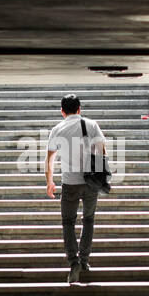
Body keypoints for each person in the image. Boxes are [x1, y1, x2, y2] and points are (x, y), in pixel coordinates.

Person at [45, 93, 106, 284]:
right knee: (88, 220)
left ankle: (74, 263)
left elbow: (50, 159)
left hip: (69, 182)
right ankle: (85, 260)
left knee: (68, 223)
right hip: (91, 182)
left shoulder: (57, 129)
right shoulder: (91, 124)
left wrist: (49, 181)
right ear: (79, 109)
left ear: (62, 111)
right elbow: (102, 151)